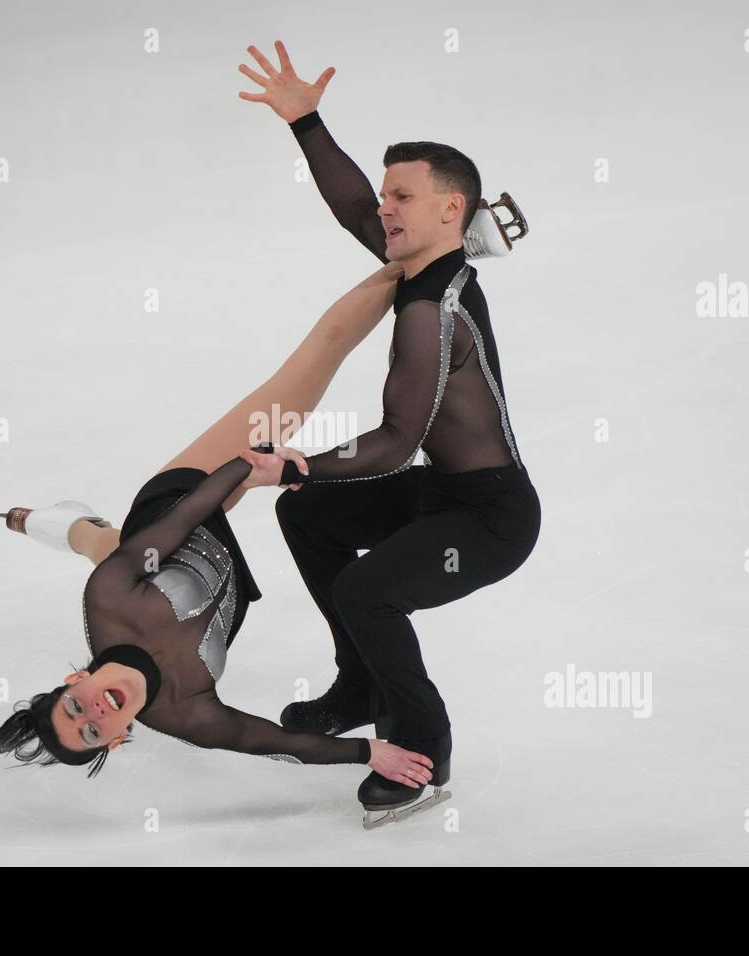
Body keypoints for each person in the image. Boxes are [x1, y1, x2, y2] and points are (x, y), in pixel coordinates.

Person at [0, 260, 438, 797]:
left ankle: (423, 266)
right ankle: (66, 523)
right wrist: (370, 753)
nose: (93, 712)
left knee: (309, 369)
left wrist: (251, 463)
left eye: (73, 706)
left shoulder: (109, 600)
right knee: (106, 547)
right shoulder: (184, 716)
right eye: (90, 731)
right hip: (195, 568)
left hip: (181, 505)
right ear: (113, 741)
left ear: (73, 681)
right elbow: (269, 740)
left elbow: (184, 514)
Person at [236, 40, 542, 827]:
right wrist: (306, 121)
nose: (384, 207)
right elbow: (349, 207)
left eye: (400, 195)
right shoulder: (425, 262)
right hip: (442, 493)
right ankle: (361, 684)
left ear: (452, 211)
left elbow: (397, 439)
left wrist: (297, 464)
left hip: (489, 517)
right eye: (386, 194)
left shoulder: (429, 312)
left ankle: (423, 751)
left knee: (366, 590)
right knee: (308, 519)